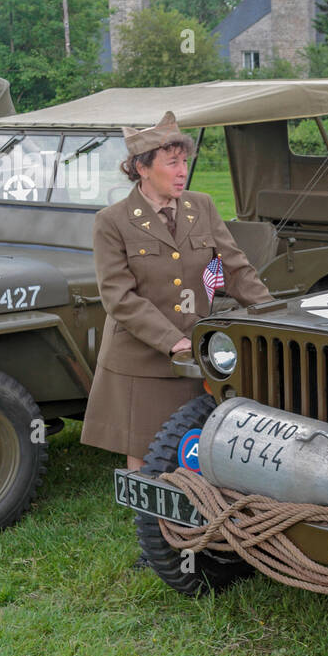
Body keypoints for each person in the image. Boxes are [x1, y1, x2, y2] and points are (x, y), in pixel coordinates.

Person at [81, 111, 272, 472]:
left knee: (191, 444)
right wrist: (173, 341)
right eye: (172, 163)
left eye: (184, 161)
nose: (183, 170)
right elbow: (118, 297)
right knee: (145, 451)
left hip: (195, 350)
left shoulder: (201, 206)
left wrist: (272, 312)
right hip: (142, 358)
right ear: (142, 168)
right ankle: (147, 521)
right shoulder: (112, 221)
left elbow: (233, 268)